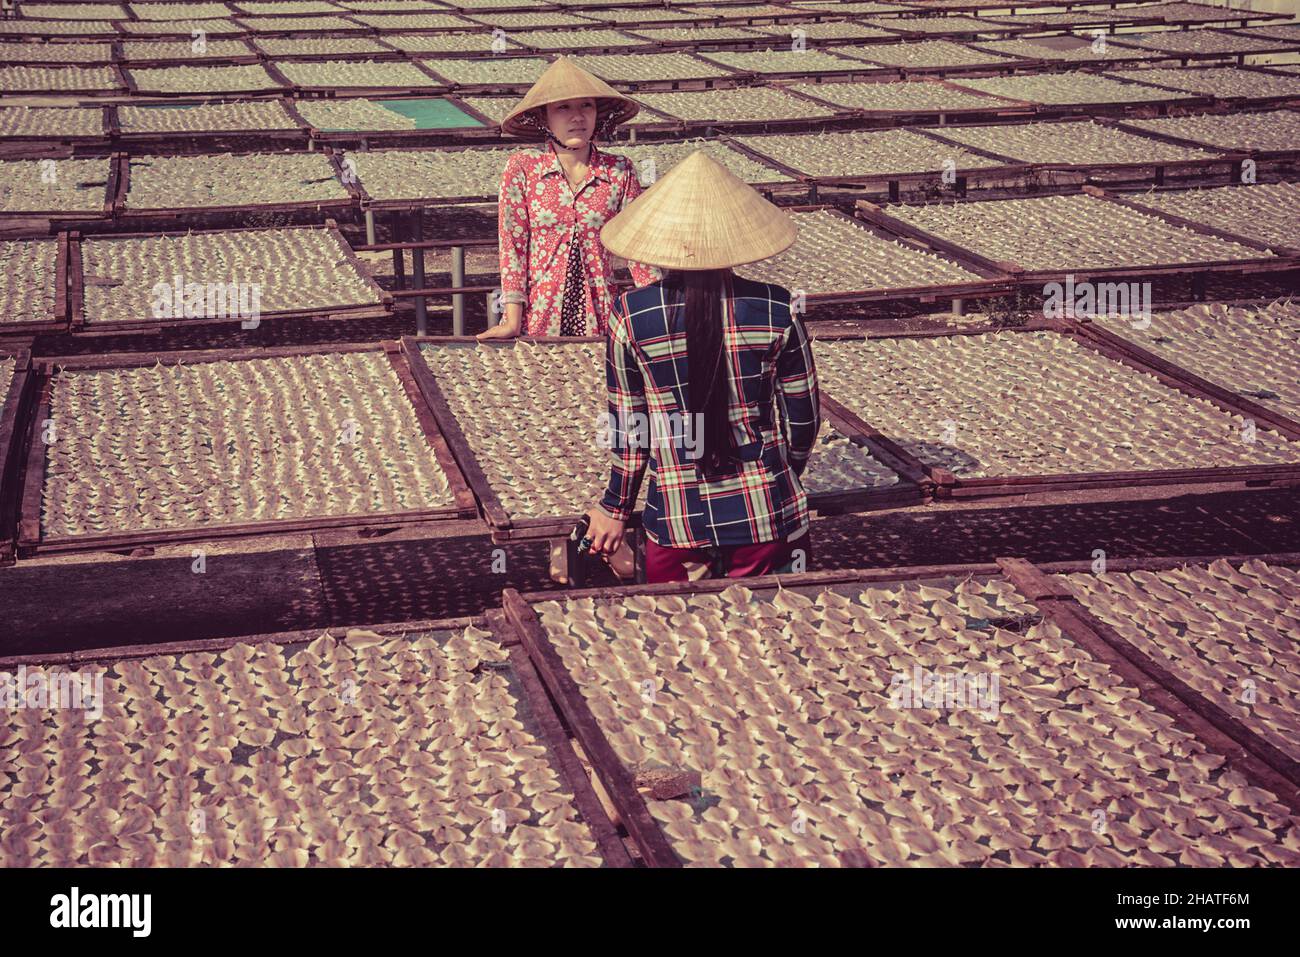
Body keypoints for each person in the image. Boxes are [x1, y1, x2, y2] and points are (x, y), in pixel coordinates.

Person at [583, 152, 820, 583]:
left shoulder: (631, 314)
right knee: (773, 634)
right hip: (766, 514)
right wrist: (786, 469)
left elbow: (631, 431)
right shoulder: (776, 306)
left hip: (677, 520)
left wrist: (615, 507)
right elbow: (803, 419)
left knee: (683, 642)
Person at [479, 56, 660, 340]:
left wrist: (657, 316)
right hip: (539, 315)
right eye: (563, 107)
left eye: (586, 105)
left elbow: (639, 251)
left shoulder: (619, 171)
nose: (577, 116)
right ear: (544, 118)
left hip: (601, 315)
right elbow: (512, 248)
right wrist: (512, 321)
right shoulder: (523, 169)